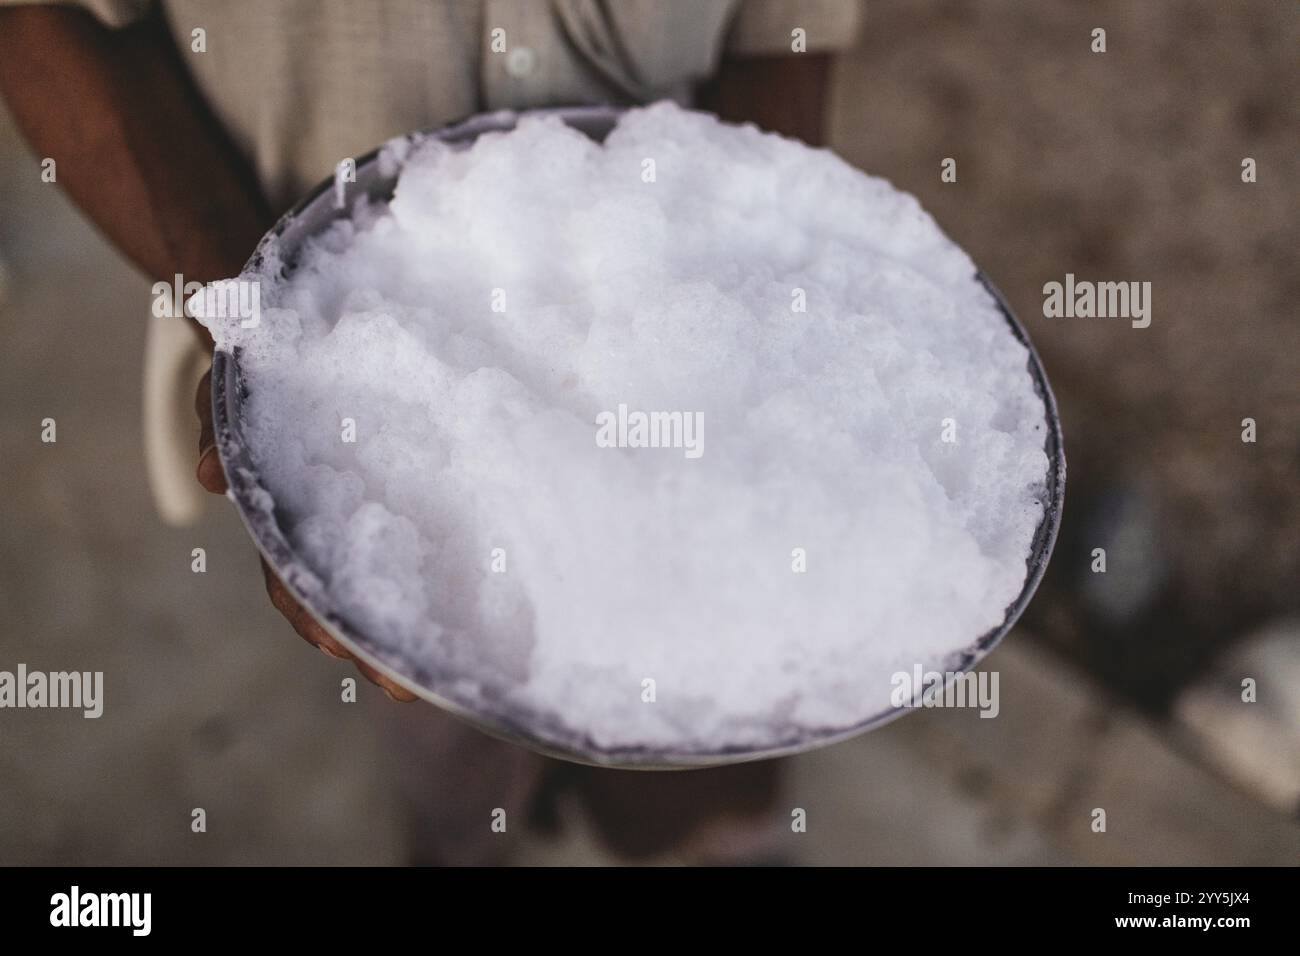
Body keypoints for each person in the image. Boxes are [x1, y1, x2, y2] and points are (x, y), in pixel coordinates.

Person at [0, 0, 862, 863]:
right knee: (440, 729)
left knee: (694, 790)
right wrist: (267, 329)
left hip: (668, 319)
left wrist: (747, 281)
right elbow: (37, 20)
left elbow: (782, 28)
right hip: (336, 325)